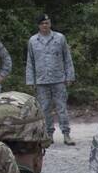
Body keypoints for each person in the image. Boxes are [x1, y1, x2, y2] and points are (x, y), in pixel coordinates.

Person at [24, 15, 74, 144]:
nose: (45, 25)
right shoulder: (33, 41)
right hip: (42, 81)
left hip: (58, 79)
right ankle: (48, 134)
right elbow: (30, 61)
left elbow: (67, 58)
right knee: (45, 109)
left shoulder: (59, 38)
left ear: (50, 24)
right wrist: (30, 80)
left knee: (61, 108)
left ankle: (66, 134)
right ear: (38, 25)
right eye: (42, 23)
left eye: (47, 23)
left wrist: (69, 76)